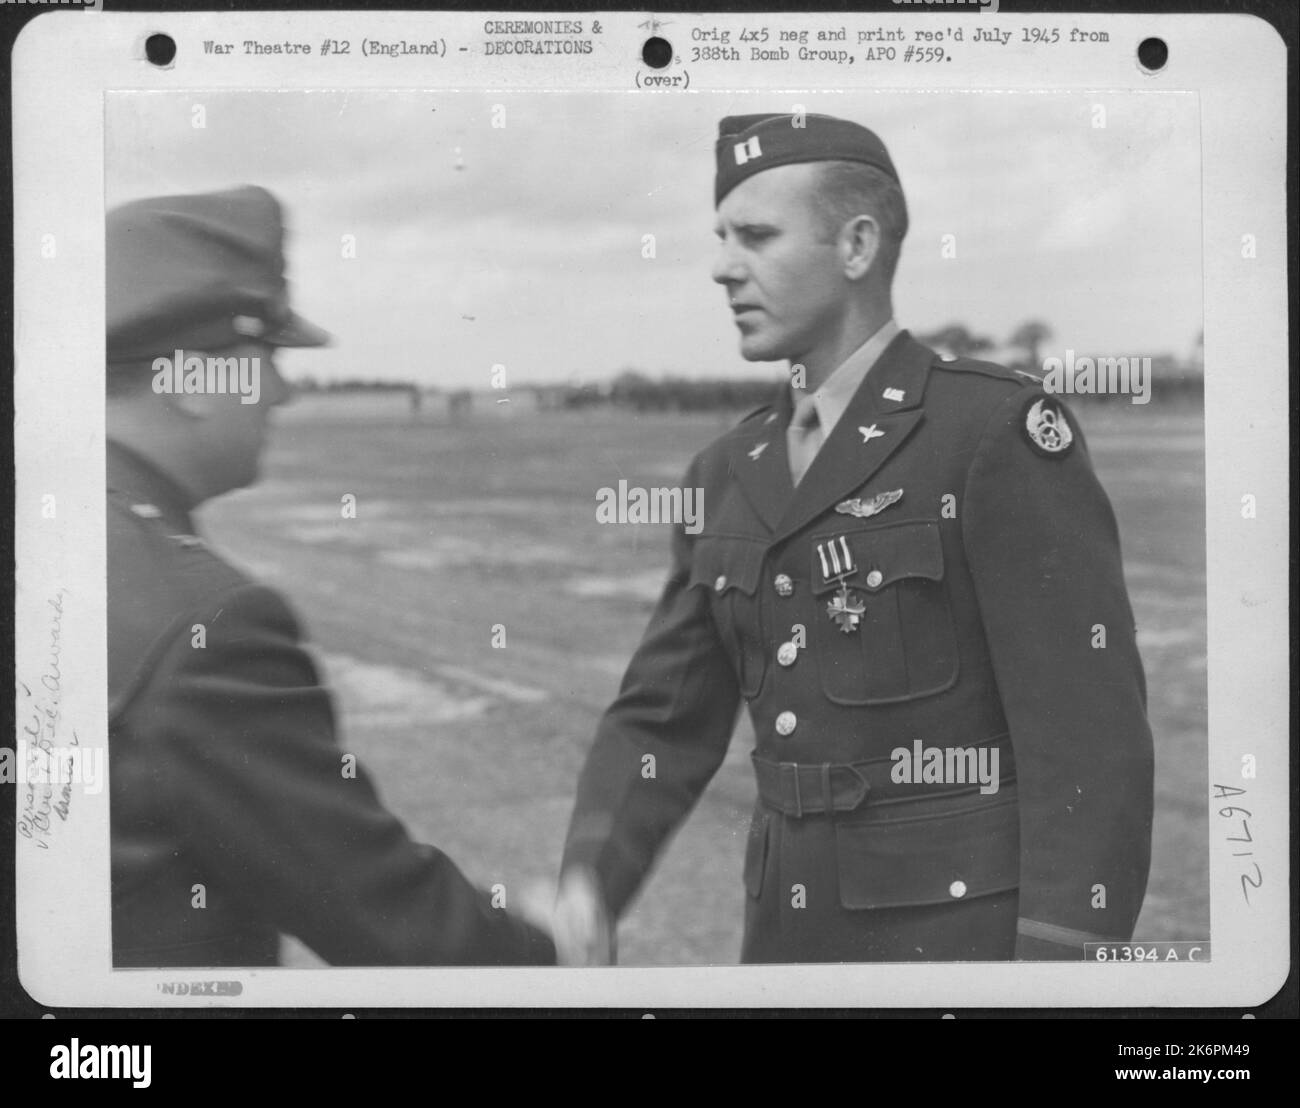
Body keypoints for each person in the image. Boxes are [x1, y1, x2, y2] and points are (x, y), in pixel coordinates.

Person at [554, 113, 1154, 963]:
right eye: (721, 238)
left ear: (858, 246)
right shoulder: (727, 470)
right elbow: (665, 713)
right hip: (786, 944)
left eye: (756, 236)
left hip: (958, 949)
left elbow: (1090, 745)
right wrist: (592, 878)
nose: (723, 267)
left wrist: (1060, 973)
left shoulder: (991, 434)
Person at [106, 185, 554, 967]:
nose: (281, 390)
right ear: (188, 381)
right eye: (266, 358)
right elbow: (398, 933)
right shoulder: (209, 625)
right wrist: (548, 948)